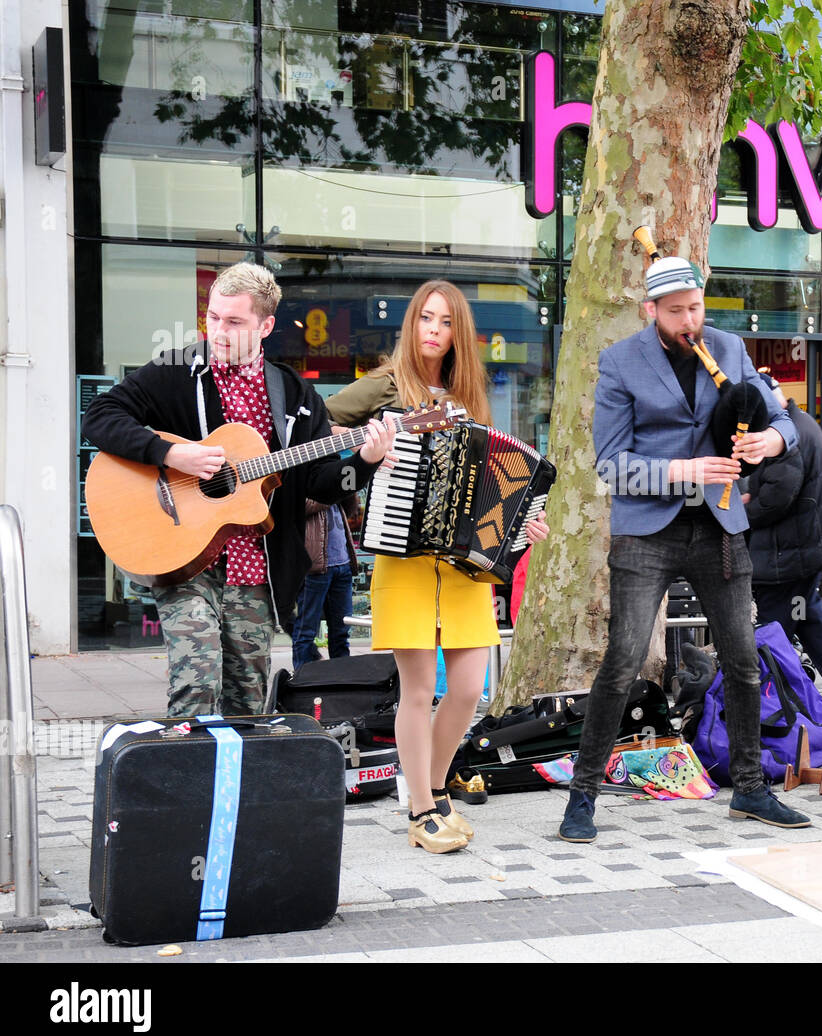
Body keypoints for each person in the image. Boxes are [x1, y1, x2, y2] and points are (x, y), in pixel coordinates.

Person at [557, 254, 810, 843]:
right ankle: (583, 796)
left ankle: (749, 789)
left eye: (696, 307)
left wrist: (768, 442)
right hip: (648, 530)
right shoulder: (620, 360)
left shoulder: (728, 346)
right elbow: (612, 467)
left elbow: (786, 422)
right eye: (677, 312)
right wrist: (685, 469)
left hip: (720, 527)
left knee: (744, 661)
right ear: (651, 311)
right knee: (621, 662)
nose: (690, 320)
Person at [82, 262, 395, 717]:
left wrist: (365, 462)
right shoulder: (178, 371)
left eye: (234, 322)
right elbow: (101, 415)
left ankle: (235, 787)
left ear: (265, 326)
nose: (218, 331)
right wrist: (169, 454)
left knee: (248, 704)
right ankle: (185, 782)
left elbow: (324, 485)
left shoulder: (294, 395)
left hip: (256, 569)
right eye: (212, 318)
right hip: (184, 557)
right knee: (197, 680)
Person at [326, 279, 547, 856]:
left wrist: (522, 523)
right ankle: (421, 808)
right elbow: (317, 430)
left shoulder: (468, 394)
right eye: (426, 318)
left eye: (445, 322)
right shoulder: (384, 384)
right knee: (419, 690)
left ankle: (433, 785)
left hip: (462, 567)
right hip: (402, 556)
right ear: (412, 323)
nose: (433, 330)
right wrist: (368, 452)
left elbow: (488, 488)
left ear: (457, 333)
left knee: (470, 690)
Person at [742, 373, 822, 714]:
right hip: (803, 548)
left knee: (772, 628)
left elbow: (778, 495)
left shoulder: (785, 434)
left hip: (789, 553)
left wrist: (744, 510)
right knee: (807, 615)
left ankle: (778, 698)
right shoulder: (801, 422)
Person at [291, 492, 361, 669]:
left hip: (342, 565)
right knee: (306, 631)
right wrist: (332, 491)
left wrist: (345, 489)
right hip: (315, 568)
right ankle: (302, 680)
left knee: (341, 631)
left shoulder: (336, 482)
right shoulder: (302, 477)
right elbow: (298, 506)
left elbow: (351, 508)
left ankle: (341, 679)